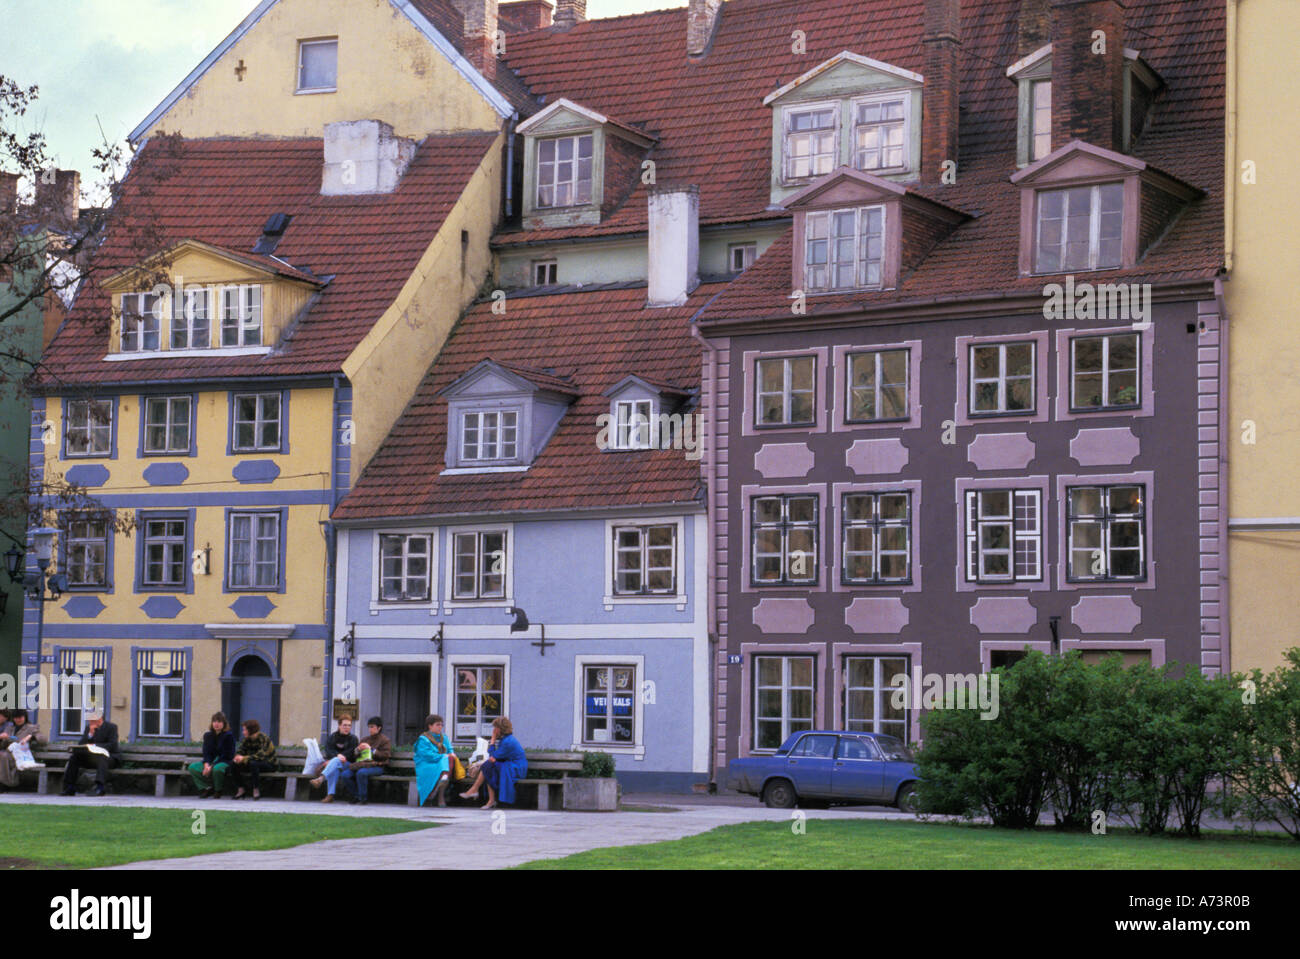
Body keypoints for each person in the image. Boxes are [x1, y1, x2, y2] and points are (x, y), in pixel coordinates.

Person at [461, 716, 527, 809]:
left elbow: (493, 755)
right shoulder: (505, 739)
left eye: (495, 728)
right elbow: (495, 757)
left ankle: (477, 791)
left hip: (515, 768)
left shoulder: (508, 741)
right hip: (508, 765)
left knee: (488, 766)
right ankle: (485, 797)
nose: (494, 730)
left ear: (500, 729)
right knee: (488, 767)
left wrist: (492, 740)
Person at [61, 712, 120, 797]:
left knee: (102, 758)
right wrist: (90, 735)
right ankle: (69, 787)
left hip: (109, 758)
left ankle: (100, 788)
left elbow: (112, 745)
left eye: (92, 719)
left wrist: (95, 746)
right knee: (74, 758)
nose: (90, 721)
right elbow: (81, 744)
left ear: (99, 719)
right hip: (91, 758)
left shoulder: (111, 727)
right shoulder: (88, 728)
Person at [340, 716, 391, 805]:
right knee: (345, 775)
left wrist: (371, 750)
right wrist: (358, 750)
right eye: (369, 727)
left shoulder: (384, 740)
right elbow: (355, 756)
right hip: (361, 764)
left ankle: (363, 798)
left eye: (372, 727)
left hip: (378, 765)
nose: (370, 729)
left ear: (379, 728)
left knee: (361, 773)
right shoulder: (365, 739)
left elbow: (385, 755)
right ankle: (356, 795)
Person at [310, 714, 357, 803]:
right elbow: (328, 751)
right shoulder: (332, 737)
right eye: (344, 725)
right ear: (339, 725)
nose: (347, 727)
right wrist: (337, 756)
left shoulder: (353, 739)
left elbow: (350, 753)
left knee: (335, 760)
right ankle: (330, 796)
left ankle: (321, 779)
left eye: (349, 725)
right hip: (335, 764)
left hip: (348, 765)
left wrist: (338, 757)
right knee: (334, 767)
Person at [188, 712, 236, 798]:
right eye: (214, 721)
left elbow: (227, 754)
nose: (216, 724)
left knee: (217, 769)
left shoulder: (228, 736)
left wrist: (212, 766)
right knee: (193, 767)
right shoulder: (208, 735)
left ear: (224, 723)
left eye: (219, 721)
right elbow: (206, 752)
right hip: (210, 761)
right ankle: (207, 788)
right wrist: (206, 765)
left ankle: (218, 790)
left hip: (224, 760)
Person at [414, 714, 458, 807]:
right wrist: (443, 756)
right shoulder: (423, 738)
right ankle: (436, 792)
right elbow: (426, 755)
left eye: (442, 725)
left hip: (441, 763)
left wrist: (451, 754)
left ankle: (441, 786)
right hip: (426, 764)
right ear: (430, 726)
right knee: (445, 760)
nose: (440, 727)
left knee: (448, 759)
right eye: (438, 725)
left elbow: (450, 750)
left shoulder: (444, 737)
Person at [229, 719, 276, 800]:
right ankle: (241, 789)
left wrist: (243, 758)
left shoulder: (264, 738)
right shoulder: (246, 740)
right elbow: (240, 750)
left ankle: (256, 789)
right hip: (252, 763)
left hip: (268, 764)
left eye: (244, 730)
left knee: (253, 763)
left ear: (251, 730)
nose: (243, 732)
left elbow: (261, 755)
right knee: (234, 764)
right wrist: (237, 757)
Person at [0, 709, 41, 790]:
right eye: (15, 718)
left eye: (20, 717)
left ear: (25, 717)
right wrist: (2, 738)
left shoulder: (32, 727)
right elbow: (4, 744)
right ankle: (5, 783)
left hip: (22, 753)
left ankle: (5, 783)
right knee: (3, 755)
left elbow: (43, 739)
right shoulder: (10, 728)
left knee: (2, 755)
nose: (18, 720)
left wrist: (31, 737)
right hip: (9, 751)